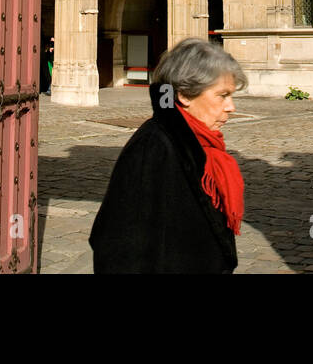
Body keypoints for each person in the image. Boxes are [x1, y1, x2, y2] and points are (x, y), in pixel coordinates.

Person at [88, 37, 247, 273]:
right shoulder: (154, 147)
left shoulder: (201, 145)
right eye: (222, 95)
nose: (231, 107)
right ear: (184, 95)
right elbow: (119, 247)